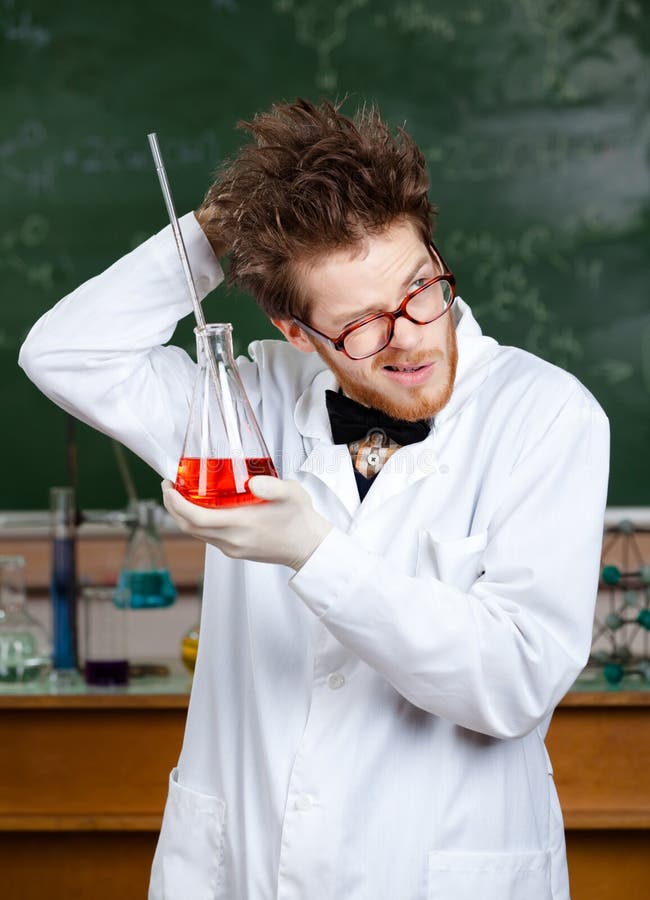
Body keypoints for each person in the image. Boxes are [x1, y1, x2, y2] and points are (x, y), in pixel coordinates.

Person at [19, 99, 609, 900]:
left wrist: (315, 553)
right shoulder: (244, 402)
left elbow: (513, 681)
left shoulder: (548, 416)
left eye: (420, 288)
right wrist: (215, 233)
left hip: (441, 871)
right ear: (296, 331)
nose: (411, 336)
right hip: (248, 867)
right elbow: (65, 354)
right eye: (362, 324)